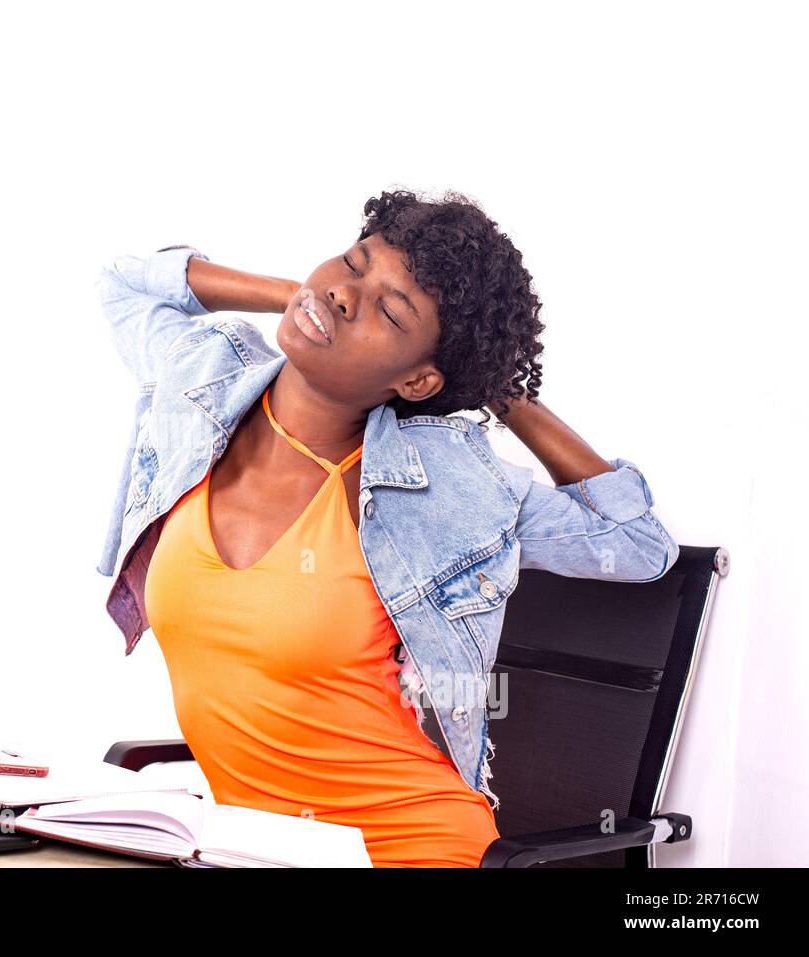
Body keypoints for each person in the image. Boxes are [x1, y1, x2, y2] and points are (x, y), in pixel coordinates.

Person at [96, 189, 679, 867]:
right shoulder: (202, 382)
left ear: (420, 379)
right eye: (352, 262)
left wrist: (499, 388)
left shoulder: (447, 486)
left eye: (389, 310)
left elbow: (637, 544)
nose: (346, 293)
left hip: (410, 848)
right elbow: (126, 285)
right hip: (248, 850)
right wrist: (294, 293)